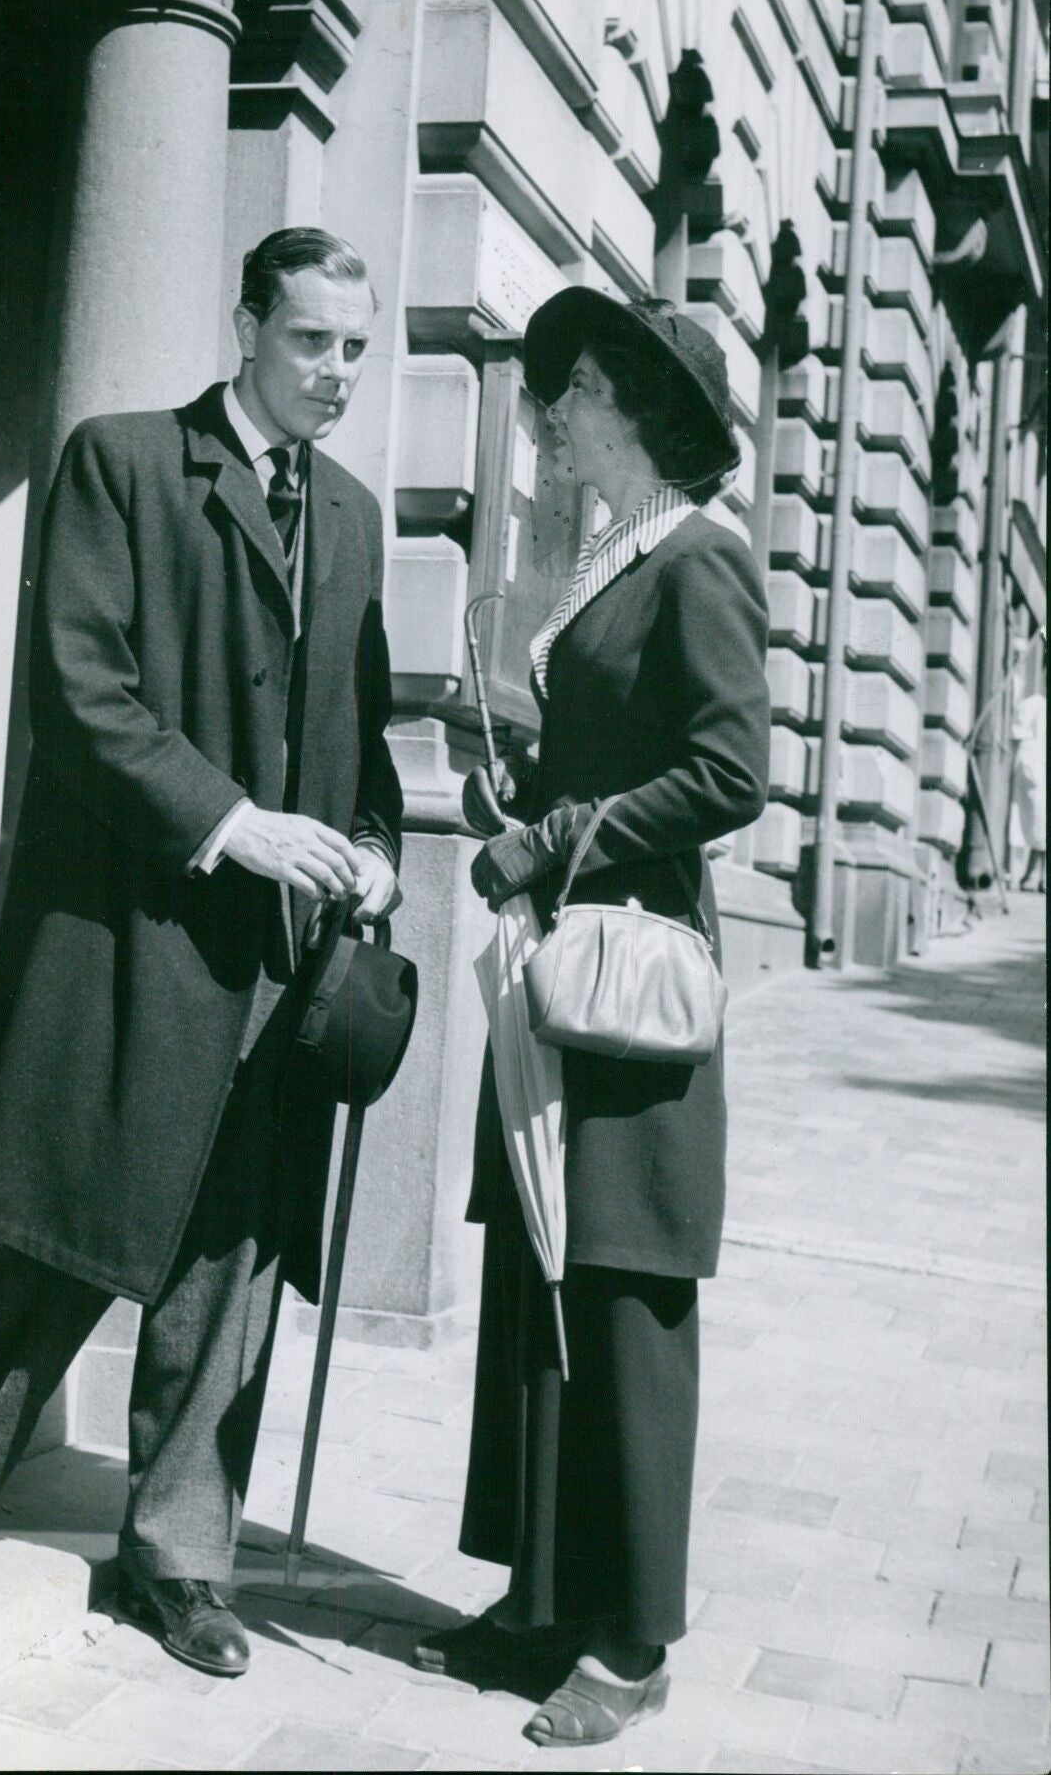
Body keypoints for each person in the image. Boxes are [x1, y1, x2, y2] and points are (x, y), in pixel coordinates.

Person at [0, 228, 403, 1680]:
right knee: (69, 1233)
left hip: (279, 962)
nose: (336, 371)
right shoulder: (121, 460)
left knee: (229, 1265)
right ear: (246, 327)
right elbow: (79, 687)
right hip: (140, 926)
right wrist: (234, 823)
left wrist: (371, 851)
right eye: (311, 340)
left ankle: (178, 1561)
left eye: (356, 347)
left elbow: (363, 730)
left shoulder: (354, 516)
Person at [413, 289, 770, 1748]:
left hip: (632, 982)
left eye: (569, 392)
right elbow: (614, 751)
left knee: (625, 1290)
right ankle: (544, 1601)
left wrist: (559, 836)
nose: (550, 412)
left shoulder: (700, 561)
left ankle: (628, 1644)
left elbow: (730, 774)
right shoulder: (606, 561)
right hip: (564, 968)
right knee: (545, 1268)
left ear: (628, 406)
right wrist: (523, 795)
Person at [1010, 651, 1046, 893]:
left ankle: (1037, 874)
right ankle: (1032, 873)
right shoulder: (1036, 705)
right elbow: (1020, 738)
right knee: (1038, 820)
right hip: (1037, 770)